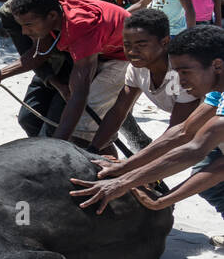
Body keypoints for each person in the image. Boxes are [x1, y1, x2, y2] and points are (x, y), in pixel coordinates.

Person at [70, 25, 224, 244]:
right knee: (211, 181)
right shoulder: (218, 89)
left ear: (216, 65)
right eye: (177, 72)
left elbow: (197, 151)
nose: (180, 82)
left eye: (185, 72)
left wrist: (130, 186)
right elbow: (182, 131)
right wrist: (125, 167)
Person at [0, 0, 130, 145]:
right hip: (102, 49)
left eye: (28, 25)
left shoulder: (79, 26)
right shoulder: (49, 7)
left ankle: (101, 162)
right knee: (32, 119)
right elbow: (39, 54)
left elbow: (80, 92)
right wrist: (0, 75)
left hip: (125, 56)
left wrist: (57, 147)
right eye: (22, 25)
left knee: (83, 125)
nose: (24, 32)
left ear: (52, 16)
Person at [0, 0, 90, 137]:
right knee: (29, 119)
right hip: (50, 67)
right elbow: (33, 54)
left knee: (59, 128)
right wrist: (56, 83)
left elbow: (93, 34)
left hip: (86, 63)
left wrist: (1, 74)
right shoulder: (9, 12)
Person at [85, 8, 199, 153]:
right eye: (127, 45)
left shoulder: (182, 72)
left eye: (141, 45)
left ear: (165, 42)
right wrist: (93, 149)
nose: (132, 52)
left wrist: (132, 166)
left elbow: (176, 130)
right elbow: (119, 111)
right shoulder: (137, 69)